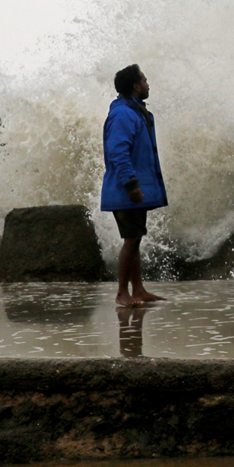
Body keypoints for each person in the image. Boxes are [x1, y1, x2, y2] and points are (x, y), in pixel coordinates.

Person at [102, 64, 169, 306]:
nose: (147, 83)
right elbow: (118, 152)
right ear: (135, 85)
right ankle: (122, 293)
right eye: (144, 79)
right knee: (131, 240)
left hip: (129, 189)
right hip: (124, 191)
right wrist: (131, 184)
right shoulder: (123, 114)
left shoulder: (135, 111)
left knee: (135, 238)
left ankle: (138, 290)